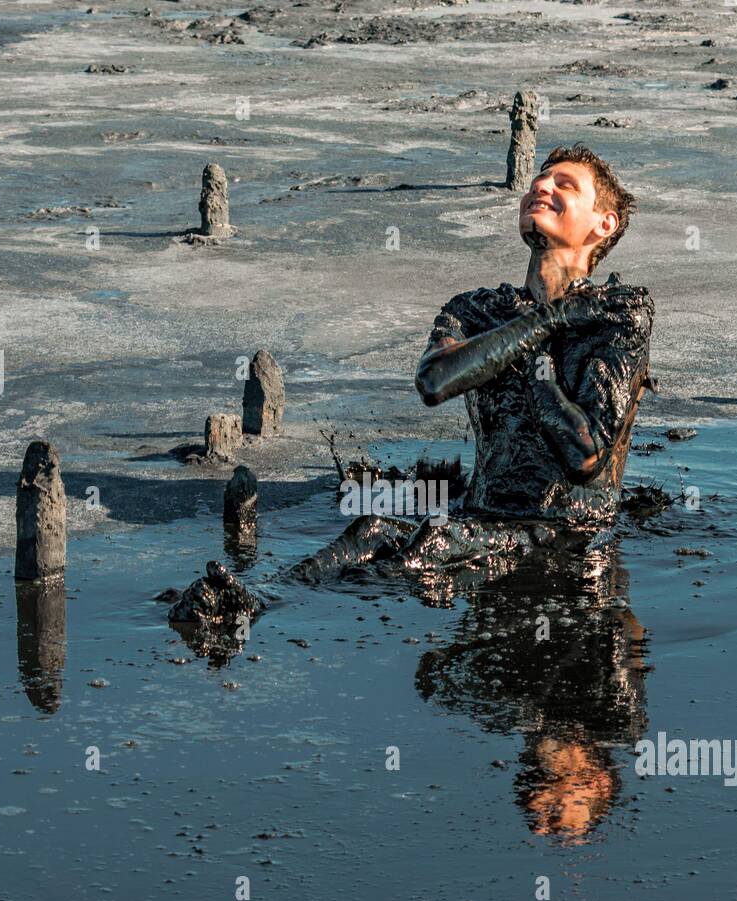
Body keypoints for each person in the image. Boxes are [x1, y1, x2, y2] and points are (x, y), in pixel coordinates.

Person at [170, 143, 655, 632]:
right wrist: (544, 320)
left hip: (570, 534)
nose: (540, 187)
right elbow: (434, 380)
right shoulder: (478, 309)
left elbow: (585, 456)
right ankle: (255, 598)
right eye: (537, 181)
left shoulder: (616, 314)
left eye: (564, 185)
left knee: (433, 545)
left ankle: (258, 607)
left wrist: (537, 344)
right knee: (371, 526)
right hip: (483, 512)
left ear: (604, 223)